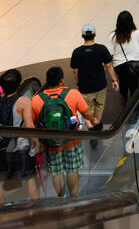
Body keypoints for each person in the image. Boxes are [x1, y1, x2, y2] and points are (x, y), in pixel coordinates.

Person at [31, 67, 94, 200]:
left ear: (47, 81)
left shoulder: (36, 100)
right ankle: (73, 197)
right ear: (62, 80)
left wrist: (37, 142)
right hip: (72, 140)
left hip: (50, 143)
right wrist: (95, 121)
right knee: (72, 169)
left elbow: (32, 124)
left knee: (56, 171)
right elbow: (87, 113)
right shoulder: (72, 93)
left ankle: (61, 197)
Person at [0, 67, 39, 203]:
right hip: (20, 148)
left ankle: (2, 214)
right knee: (30, 177)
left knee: (0, 181)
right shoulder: (23, 101)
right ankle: (36, 208)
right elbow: (29, 125)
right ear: (19, 84)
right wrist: (36, 141)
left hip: (1, 147)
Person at [71, 24, 118, 129]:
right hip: (100, 85)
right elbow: (109, 65)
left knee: (87, 109)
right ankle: (96, 123)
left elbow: (75, 70)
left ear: (82, 36)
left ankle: (91, 126)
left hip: (85, 87)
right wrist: (114, 80)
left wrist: (78, 83)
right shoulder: (101, 49)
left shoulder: (77, 52)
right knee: (99, 106)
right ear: (95, 34)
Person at [110, 11, 139, 103]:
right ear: (131, 21)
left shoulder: (114, 36)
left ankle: (124, 98)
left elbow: (110, 51)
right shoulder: (137, 33)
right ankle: (133, 105)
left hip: (119, 65)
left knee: (123, 82)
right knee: (134, 84)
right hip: (134, 65)